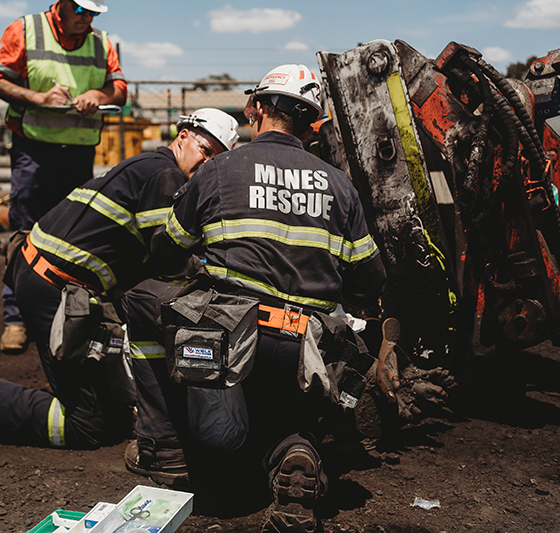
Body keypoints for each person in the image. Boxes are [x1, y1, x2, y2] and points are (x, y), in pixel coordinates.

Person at [122, 64, 386, 533]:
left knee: (141, 299)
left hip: (230, 341)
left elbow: (164, 254)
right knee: (280, 414)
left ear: (257, 108)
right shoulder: (340, 186)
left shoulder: (220, 169)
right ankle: (296, 451)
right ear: (311, 123)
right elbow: (369, 280)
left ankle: (166, 451)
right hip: (307, 348)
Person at [0, 109, 240, 452]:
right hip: (53, 286)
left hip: (42, 274)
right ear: (182, 136)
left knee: (111, 412)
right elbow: (165, 260)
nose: (208, 162)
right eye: (206, 150)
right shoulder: (164, 175)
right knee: (88, 426)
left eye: (217, 159)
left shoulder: (147, 167)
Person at [0, 0, 127, 353]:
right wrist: (38, 98)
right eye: (80, 11)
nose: (87, 19)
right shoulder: (26, 30)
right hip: (34, 151)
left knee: (76, 234)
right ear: (60, 5)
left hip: (78, 154)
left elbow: (120, 91)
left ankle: (69, 313)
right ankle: (15, 318)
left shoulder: (100, 41)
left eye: (93, 13)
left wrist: (98, 94)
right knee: (25, 230)